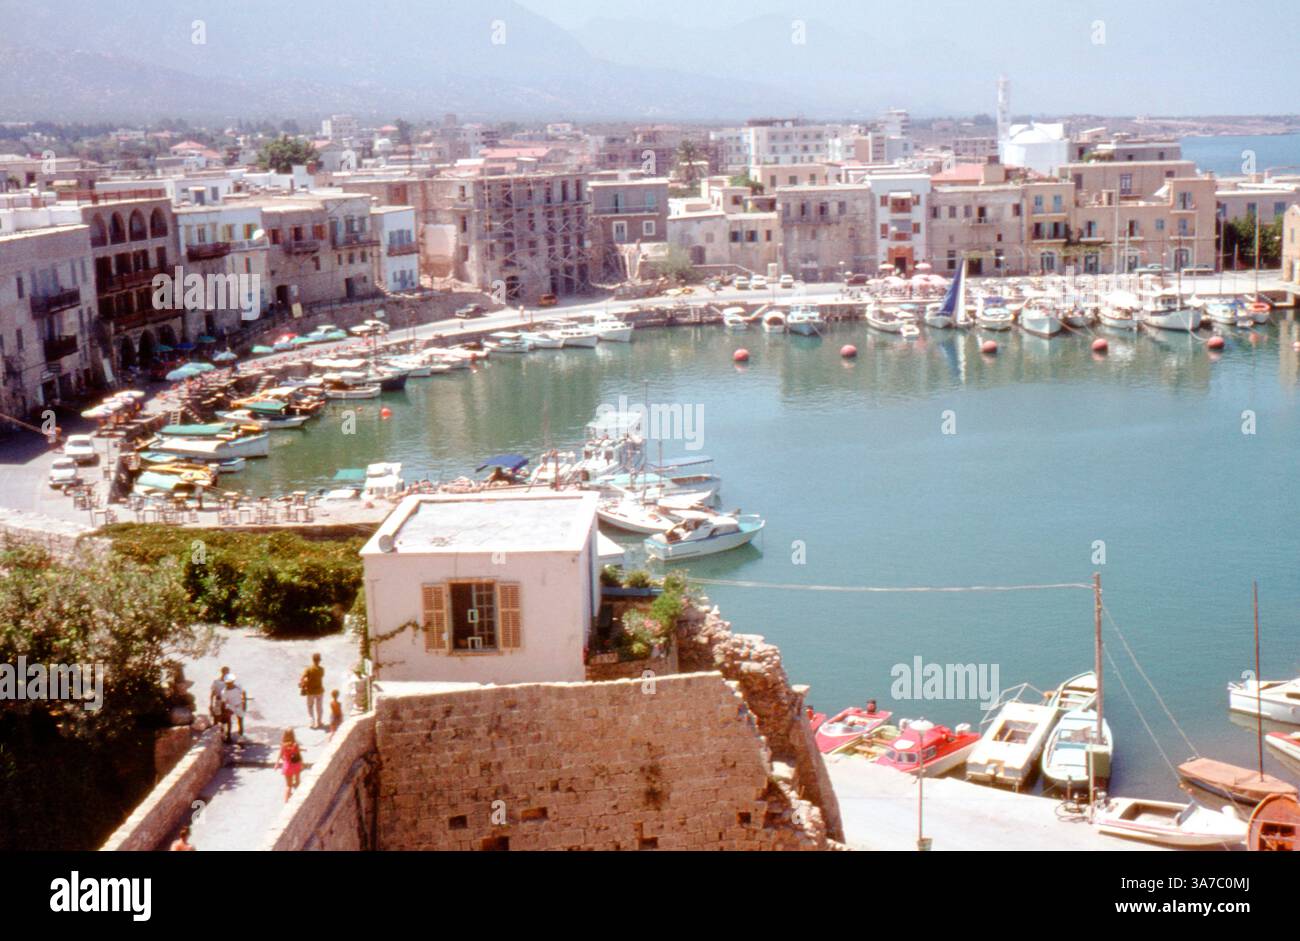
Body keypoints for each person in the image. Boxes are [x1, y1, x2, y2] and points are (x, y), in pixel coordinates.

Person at [301, 653, 325, 728]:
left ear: (313, 660)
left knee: (310, 706)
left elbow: (303, 679)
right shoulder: (322, 670)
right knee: (319, 707)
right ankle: (319, 722)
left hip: (310, 691)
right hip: (319, 690)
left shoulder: (308, 669)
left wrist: (303, 686)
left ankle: (311, 722)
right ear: (319, 660)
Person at [279, 729, 304, 802]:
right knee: (297, 782)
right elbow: (299, 755)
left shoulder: (283, 746)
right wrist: (302, 764)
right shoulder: (295, 745)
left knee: (288, 785)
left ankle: (286, 800)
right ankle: (299, 798)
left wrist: (286, 759)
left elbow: (281, 757)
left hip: (287, 766)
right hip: (296, 765)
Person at [222, 674, 246, 742]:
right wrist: (224, 710)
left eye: (230, 682)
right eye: (227, 683)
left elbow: (243, 693)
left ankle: (241, 738)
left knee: (240, 721)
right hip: (230, 706)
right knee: (229, 720)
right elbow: (224, 701)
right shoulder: (224, 691)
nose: (229, 684)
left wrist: (244, 703)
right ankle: (228, 736)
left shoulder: (238, 687)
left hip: (239, 705)